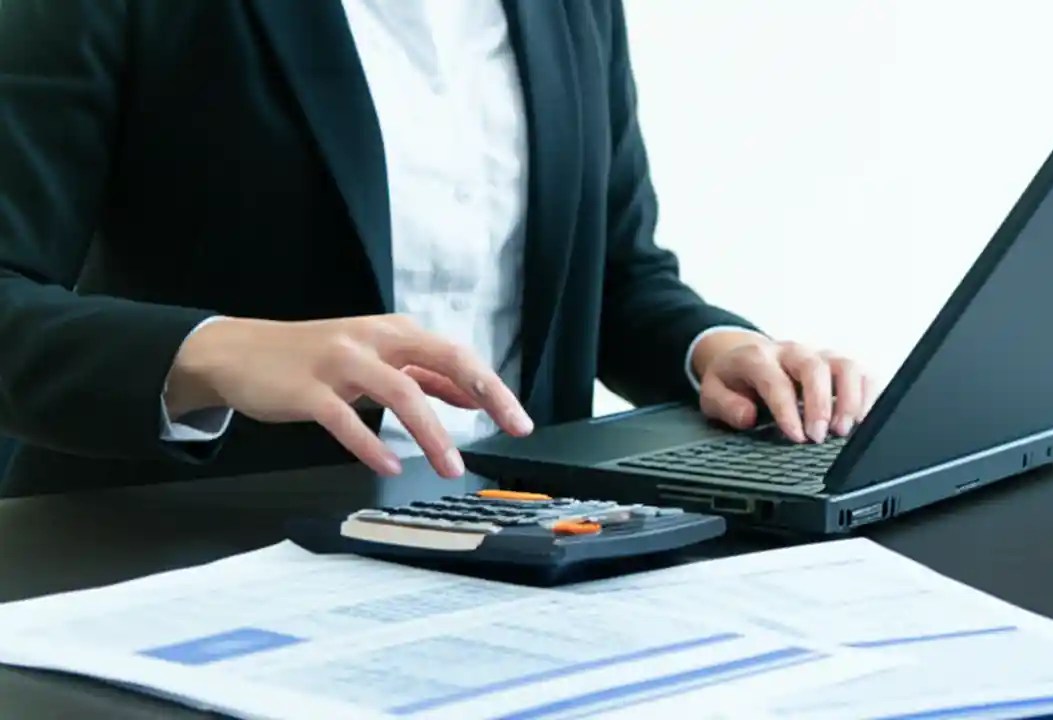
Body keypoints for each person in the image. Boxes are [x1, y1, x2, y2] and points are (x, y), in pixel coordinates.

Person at [0, 0, 869, 497]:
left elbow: (612, 275)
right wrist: (217, 351)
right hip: (184, 558)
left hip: (527, 553)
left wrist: (714, 351)